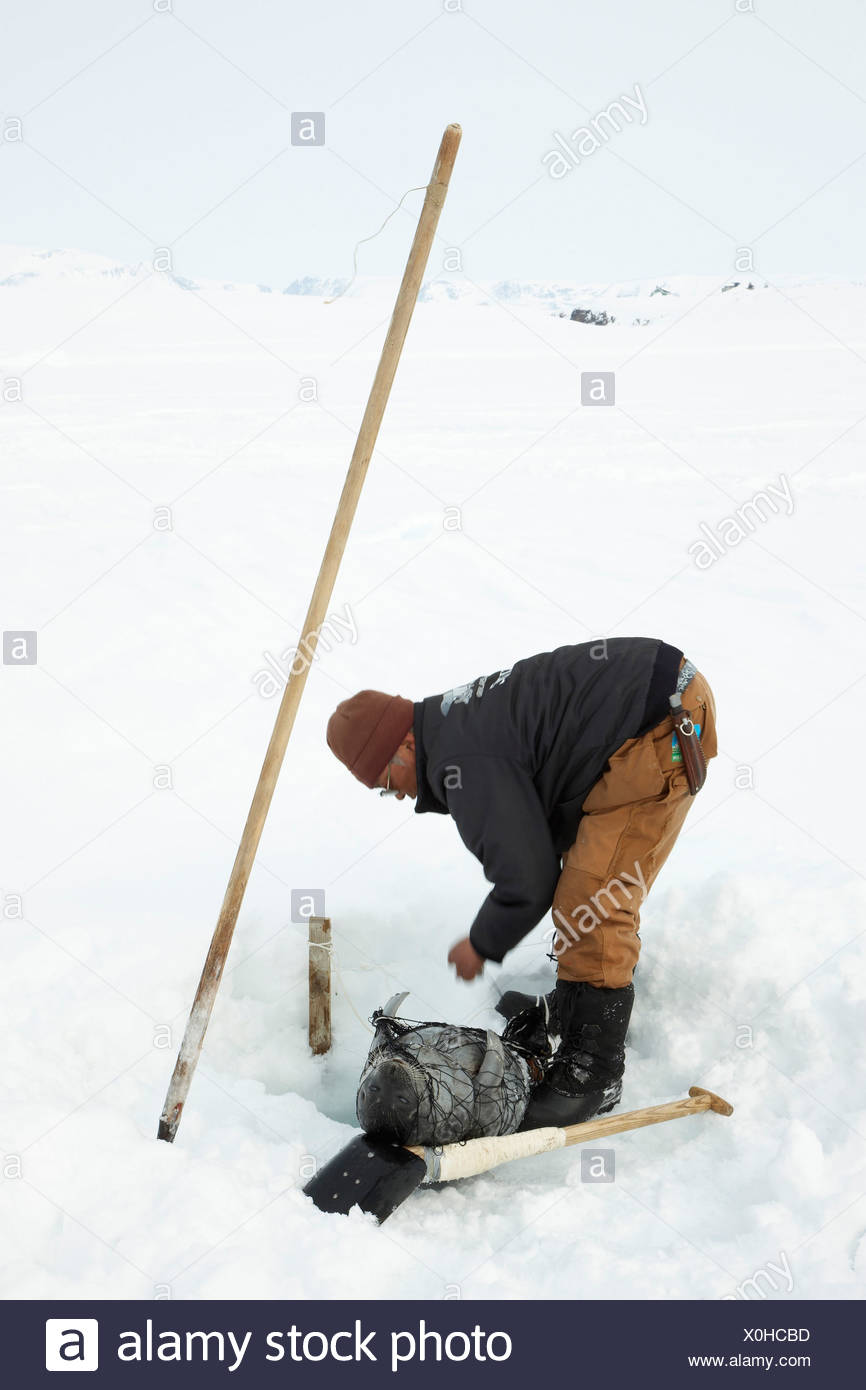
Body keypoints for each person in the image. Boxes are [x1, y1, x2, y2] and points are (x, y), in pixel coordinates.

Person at [326, 637, 717, 1129]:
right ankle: (579, 1011)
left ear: (404, 746)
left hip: (661, 724)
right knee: (583, 874)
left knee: (593, 898)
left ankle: (594, 1072)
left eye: (386, 783)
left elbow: (528, 878)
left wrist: (481, 943)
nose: (397, 795)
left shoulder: (462, 765)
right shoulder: (455, 727)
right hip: (645, 710)